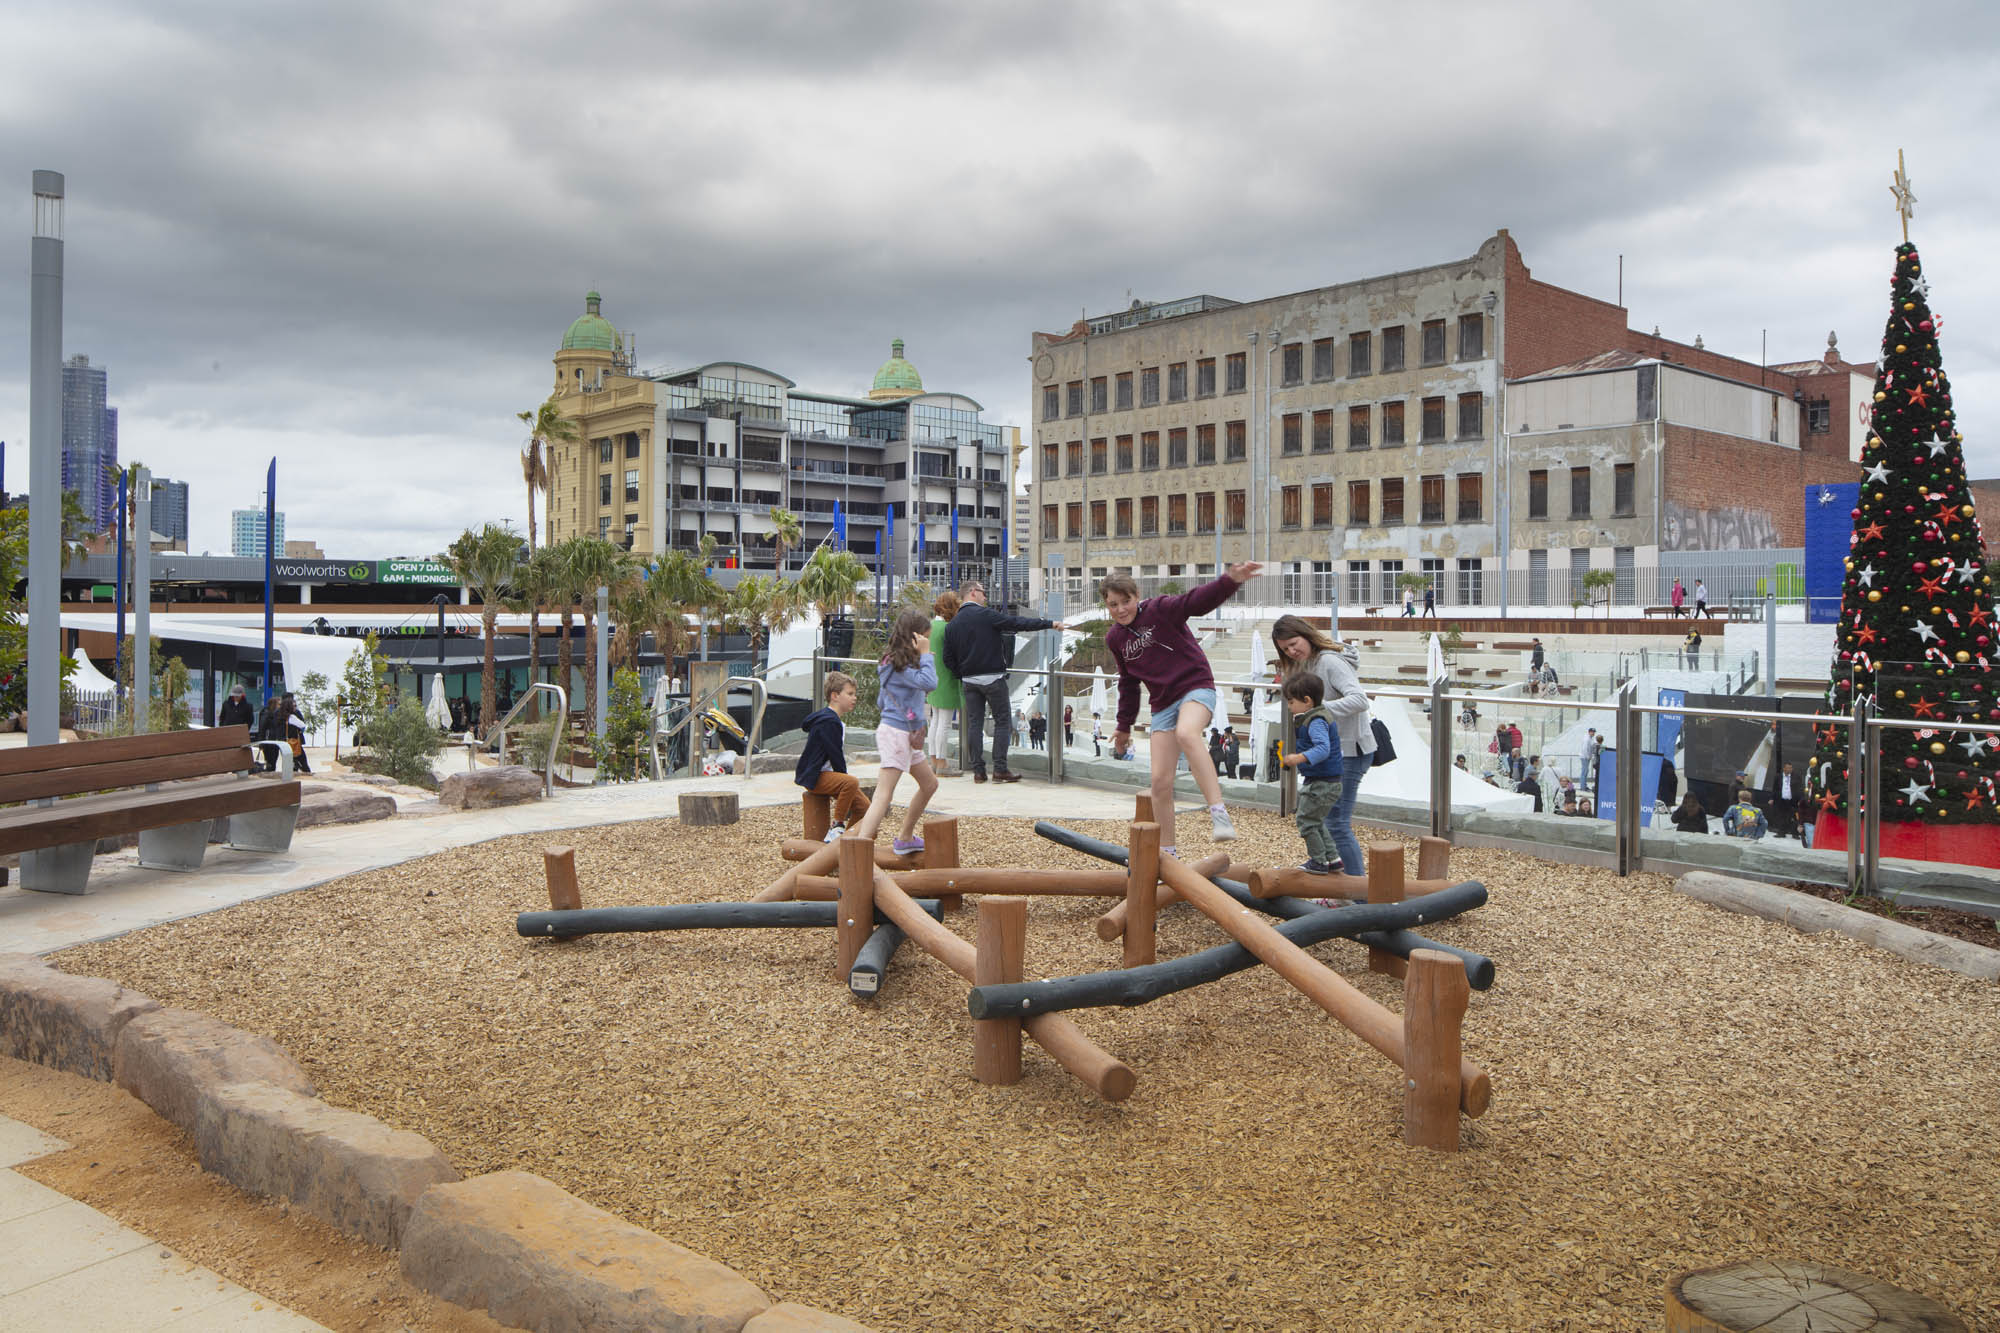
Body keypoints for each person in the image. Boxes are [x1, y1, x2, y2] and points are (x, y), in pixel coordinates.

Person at [1105, 563, 1262, 853]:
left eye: (1125, 601)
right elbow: (1127, 684)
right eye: (1113, 605)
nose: (1121, 609)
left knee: (1187, 734)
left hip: (1195, 686)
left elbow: (1196, 602)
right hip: (1162, 703)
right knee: (1159, 781)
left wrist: (1230, 581)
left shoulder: (1160, 609)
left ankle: (1219, 813)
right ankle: (1168, 851)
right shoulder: (1115, 638)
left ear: (1136, 595)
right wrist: (1123, 726)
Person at [1270, 614, 1377, 875]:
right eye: (1285, 649)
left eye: (1294, 643)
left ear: (1306, 635)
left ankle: (1358, 896)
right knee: (1327, 822)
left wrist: (1318, 710)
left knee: (1336, 823)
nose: (1292, 651)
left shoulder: (1329, 662)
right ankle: (1343, 891)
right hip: (1334, 752)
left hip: (1350, 750)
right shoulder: (1306, 665)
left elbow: (1360, 700)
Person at [940, 578, 1059, 784]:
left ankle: (978, 772)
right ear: (973, 593)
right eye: (983, 592)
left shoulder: (952, 625)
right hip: (993, 678)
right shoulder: (986, 616)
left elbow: (947, 659)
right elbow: (1017, 623)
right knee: (1003, 722)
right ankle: (1000, 769)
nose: (986, 596)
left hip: (969, 682)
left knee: (975, 724)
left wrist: (963, 673)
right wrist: (1049, 624)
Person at [853, 609, 940, 856]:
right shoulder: (901, 666)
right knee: (883, 795)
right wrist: (926, 656)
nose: (927, 642)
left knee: (929, 784)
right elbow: (930, 683)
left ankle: (904, 837)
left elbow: (882, 700)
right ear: (914, 637)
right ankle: (857, 852)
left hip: (903, 734)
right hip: (897, 734)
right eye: (924, 637)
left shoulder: (893, 663)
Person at [1279, 674, 1344, 875]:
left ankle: (1318, 861)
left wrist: (1298, 758)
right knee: (1315, 820)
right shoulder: (1316, 716)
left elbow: (1323, 748)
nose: (1289, 707)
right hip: (1327, 781)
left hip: (1321, 783)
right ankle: (1332, 859)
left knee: (1305, 821)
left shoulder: (1315, 720)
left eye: (1291, 702)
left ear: (1307, 701)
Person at [795, 671, 869, 842]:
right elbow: (836, 756)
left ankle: (845, 844)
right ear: (835, 696)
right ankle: (837, 826)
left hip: (824, 775)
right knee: (850, 782)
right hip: (816, 777)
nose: (854, 698)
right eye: (850, 694)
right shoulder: (830, 721)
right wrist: (844, 779)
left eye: (854, 694)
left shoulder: (831, 720)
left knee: (865, 808)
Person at [925, 590, 964, 776]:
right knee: (945, 723)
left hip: (932, 677)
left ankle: (933, 760)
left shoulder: (930, 626)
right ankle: (942, 763)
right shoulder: (949, 628)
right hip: (947, 677)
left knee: (934, 720)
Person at [1771, 762, 1800, 837]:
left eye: (1790, 768)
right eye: (1787, 768)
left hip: (1792, 800)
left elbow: (1799, 788)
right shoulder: (1778, 777)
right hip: (1781, 800)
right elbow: (1774, 788)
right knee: (1781, 817)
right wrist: (1772, 798)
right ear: (1784, 768)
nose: (1789, 769)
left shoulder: (1796, 777)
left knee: (1793, 817)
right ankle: (1781, 832)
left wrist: (1799, 798)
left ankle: (1795, 833)